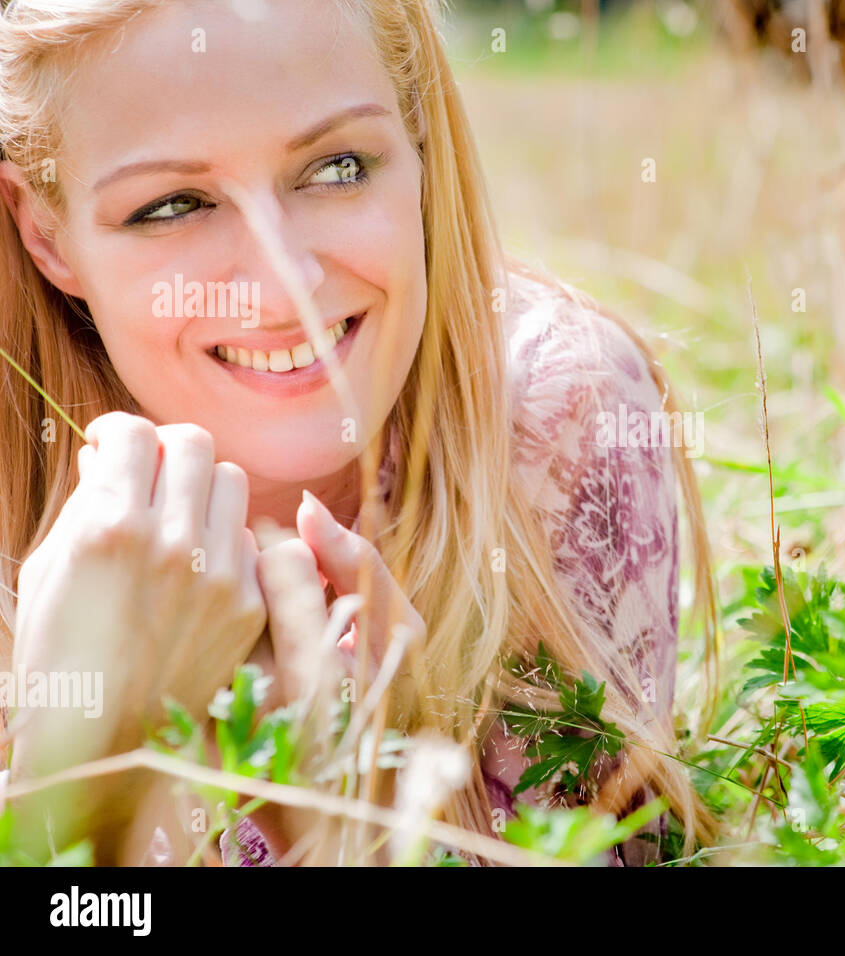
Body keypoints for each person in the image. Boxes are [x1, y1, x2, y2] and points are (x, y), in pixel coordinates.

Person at [0, 0, 718, 866]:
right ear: (45, 230)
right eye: (173, 205)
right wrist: (76, 795)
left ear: (416, 143)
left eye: (337, 167)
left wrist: (369, 837)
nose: (282, 283)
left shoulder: (551, 423)